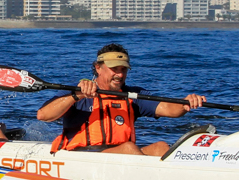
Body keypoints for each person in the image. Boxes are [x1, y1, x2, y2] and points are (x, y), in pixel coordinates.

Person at [37, 43, 206, 156]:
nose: (119, 75)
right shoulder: (78, 91)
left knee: (161, 147)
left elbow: (169, 109)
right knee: (129, 148)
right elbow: (43, 115)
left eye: (123, 70)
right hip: (82, 156)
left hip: (121, 156)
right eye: (114, 69)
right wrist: (76, 96)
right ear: (98, 68)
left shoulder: (132, 95)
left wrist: (185, 104)